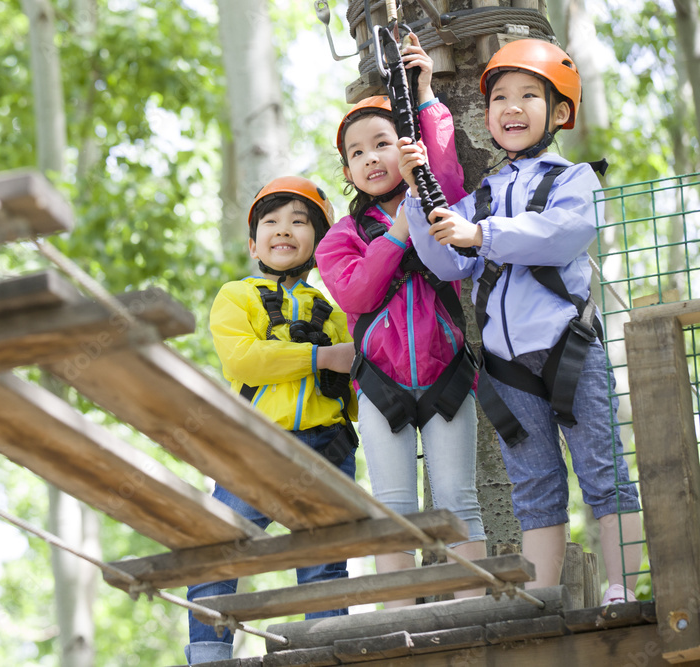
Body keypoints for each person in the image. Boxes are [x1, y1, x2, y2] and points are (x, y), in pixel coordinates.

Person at [398, 38, 643, 605]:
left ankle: (622, 588)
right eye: (500, 97)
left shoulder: (574, 180)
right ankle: (544, 599)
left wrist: (483, 234)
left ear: (559, 113)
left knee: (603, 473)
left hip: (569, 351)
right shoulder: (483, 194)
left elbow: (563, 236)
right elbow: (447, 258)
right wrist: (418, 198)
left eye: (529, 95)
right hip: (507, 369)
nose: (511, 107)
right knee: (534, 487)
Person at [315, 33, 487, 608]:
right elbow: (358, 294)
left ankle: (474, 607)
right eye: (357, 152)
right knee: (393, 504)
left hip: (446, 377)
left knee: (458, 499)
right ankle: (397, 615)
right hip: (382, 385)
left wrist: (426, 97)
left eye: (383, 144)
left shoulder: (435, 203)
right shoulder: (341, 238)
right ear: (347, 170)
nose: (370, 158)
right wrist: (395, 236)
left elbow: (445, 177)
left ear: (404, 149)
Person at [184, 176, 359, 664]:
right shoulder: (236, 296)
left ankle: (323, 650)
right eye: (271, 222)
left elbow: (360, 381)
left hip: (328, 444)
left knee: (324, 560)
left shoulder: (337, 312)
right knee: (221, 544)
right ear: (252, 242)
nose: (284, 230)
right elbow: (244, 360)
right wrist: (320, 358)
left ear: (320, 243)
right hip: (254, 442)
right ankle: (208, 653)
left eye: (299, 222)